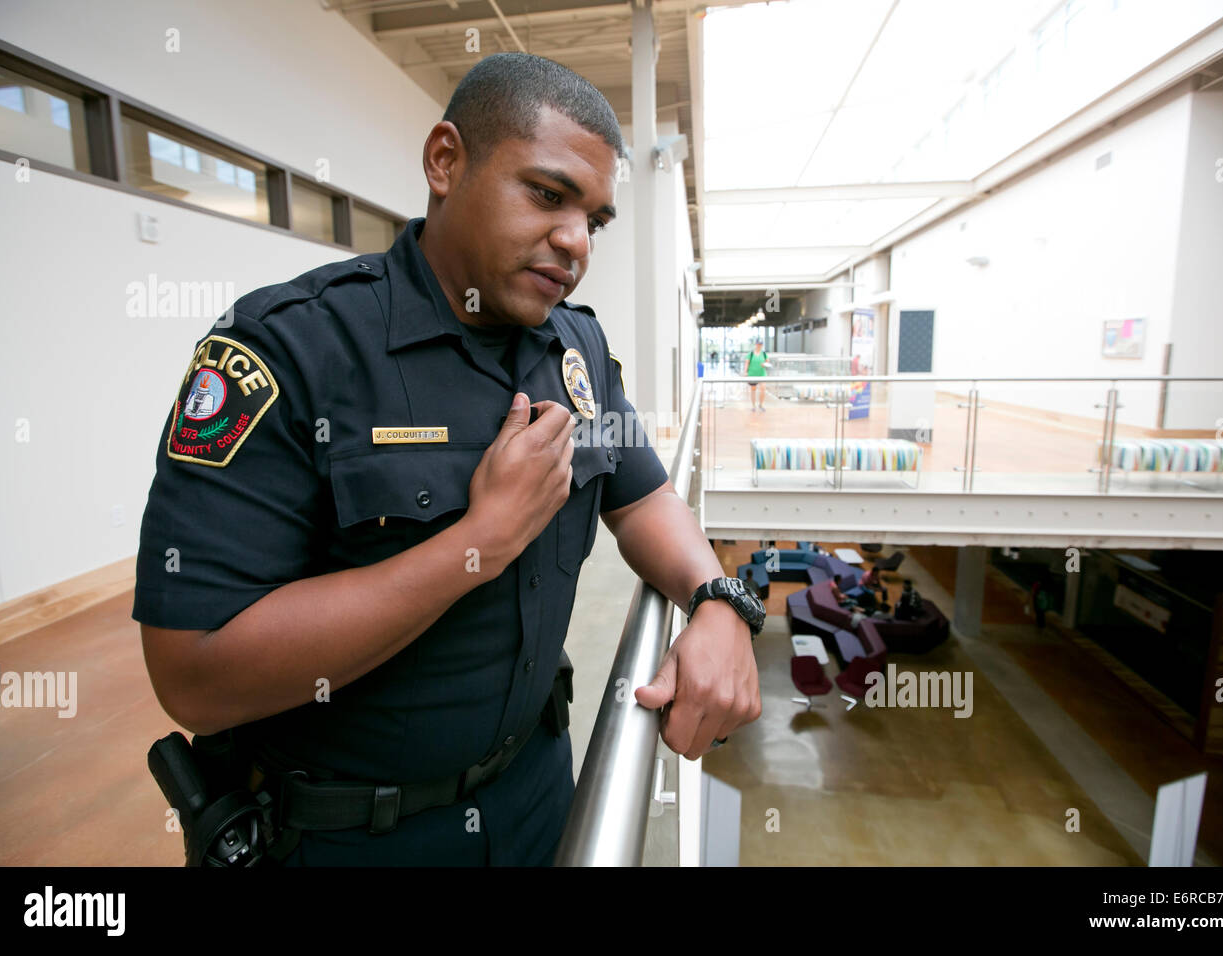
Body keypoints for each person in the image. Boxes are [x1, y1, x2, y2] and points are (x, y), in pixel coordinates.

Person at [133, 52, 762, 867]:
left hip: (534, 794)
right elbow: (194, 673)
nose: (574, 241)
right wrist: (481, 543)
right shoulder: (291, 350)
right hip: (345, 837)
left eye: (596, 221)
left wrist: (715, 597)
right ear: (445, 161)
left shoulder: (576, 344)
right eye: (547, 194)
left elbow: (640, 498)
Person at [745, 340, 769, 412]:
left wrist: (764, 364)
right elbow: (747, 363)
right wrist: (745, 372)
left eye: (760, 344)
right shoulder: (751, 354)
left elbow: (767, 362)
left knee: (763, 389)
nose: (759, 346)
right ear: (755, 345)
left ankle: (761, 405)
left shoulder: (764, 354)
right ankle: (753, 406)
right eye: (758, 344)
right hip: (752, 374)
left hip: (762, 374)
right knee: (753, 389)